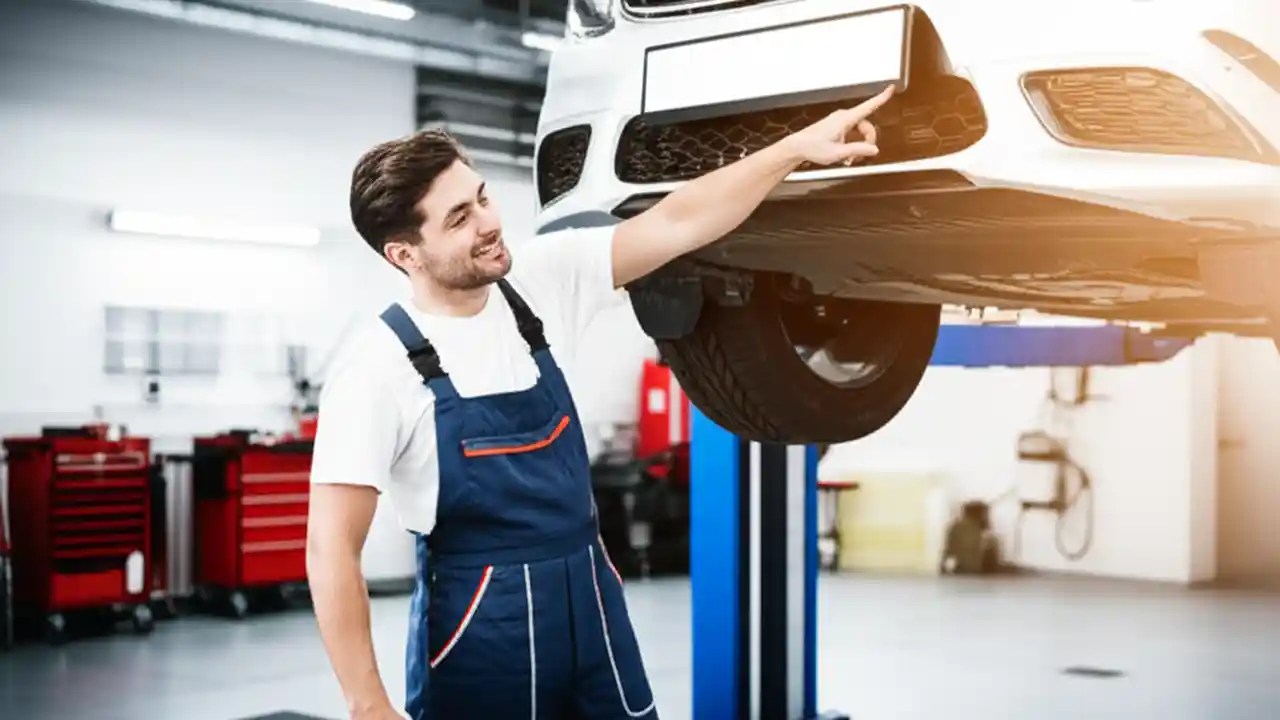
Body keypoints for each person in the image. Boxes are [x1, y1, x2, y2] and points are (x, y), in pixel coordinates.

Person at [305, 85, 896, 720]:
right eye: (458, 218)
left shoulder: (538, 284)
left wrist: (796, 148)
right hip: (480, 627)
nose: (488, 222)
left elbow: (678, 219)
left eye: (481, 197)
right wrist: (366, 703)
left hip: (590, 597)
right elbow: (331, 546)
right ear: (404, 254)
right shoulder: (376, 368)